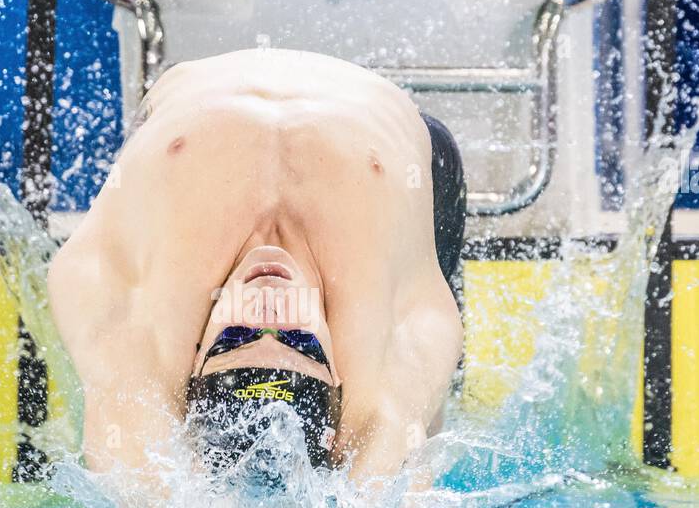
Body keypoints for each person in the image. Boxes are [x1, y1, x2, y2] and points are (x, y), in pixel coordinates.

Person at [47, 49, 465, 484]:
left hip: (185, 102)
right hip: (411, 149)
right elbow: (383, 459)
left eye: (236, 337)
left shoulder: (127, 311)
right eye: (300, 341)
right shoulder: (390, 328)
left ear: (192, 361)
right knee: (417, 422)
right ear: (339, 369)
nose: (270, 309)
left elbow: (138, 462)